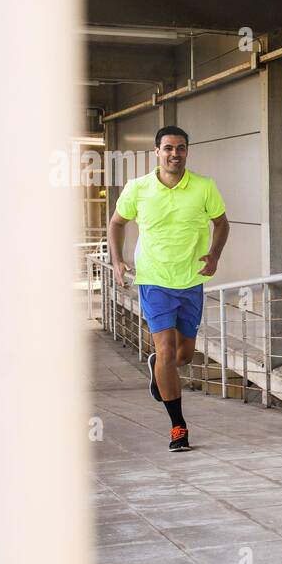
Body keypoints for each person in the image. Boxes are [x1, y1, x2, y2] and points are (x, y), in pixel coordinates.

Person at [108, 125, 229, 451]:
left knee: (183, 355)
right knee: (164, 351)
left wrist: (214, 255)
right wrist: (117, 261)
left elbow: (221, 222)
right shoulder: (138, 188)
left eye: (181, 148)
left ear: (187, 151)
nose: (175, 154)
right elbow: (117, 222)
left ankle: (158, 369)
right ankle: (178, 427)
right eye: (169, 148)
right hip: (154, 280)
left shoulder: (204, 187)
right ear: (157, 152)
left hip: (191, 281)